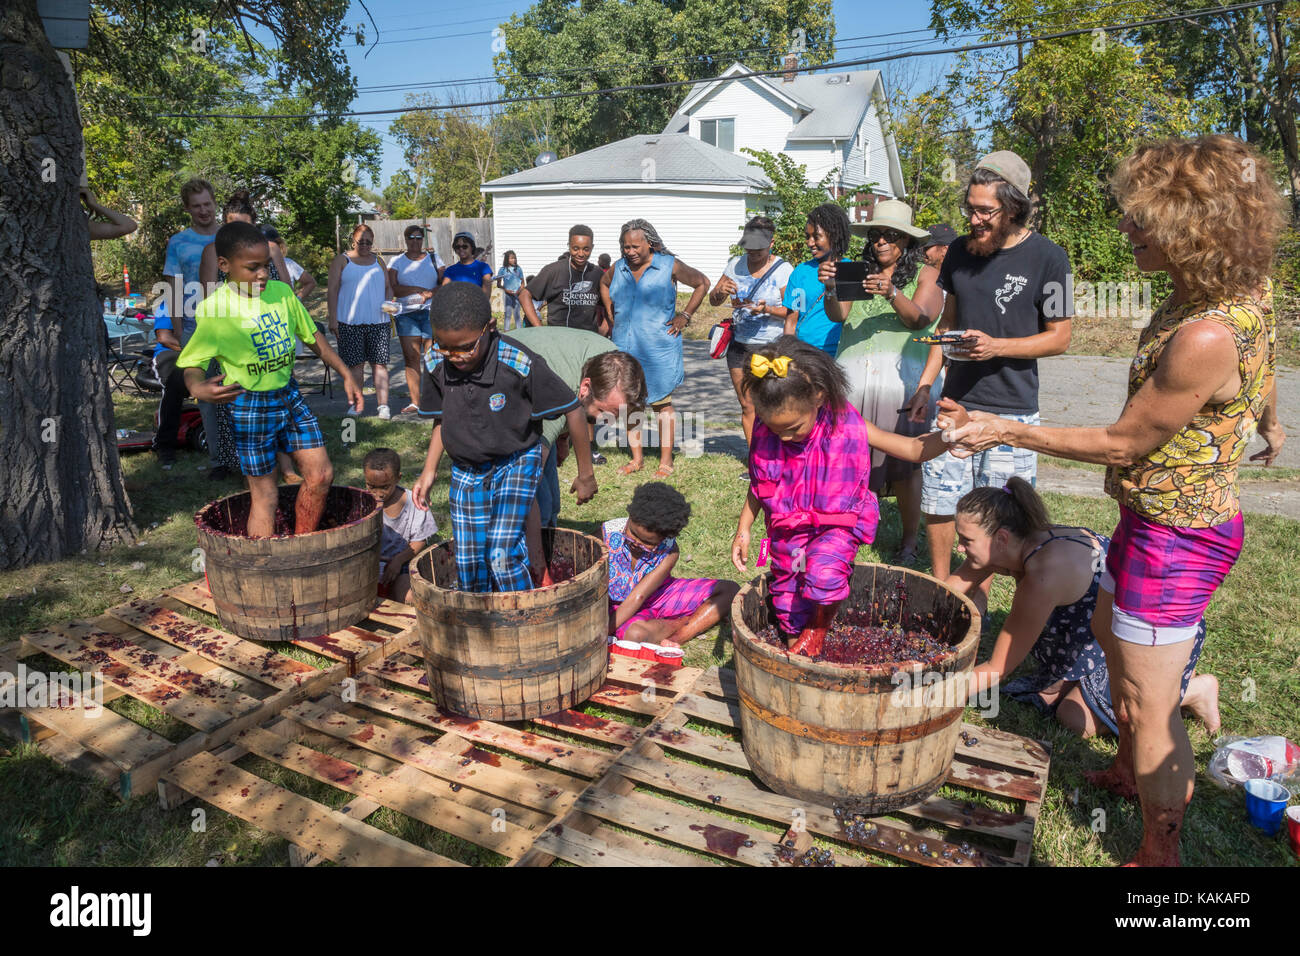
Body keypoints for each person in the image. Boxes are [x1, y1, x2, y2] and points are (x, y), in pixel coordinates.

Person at [946, 135, 1287, 867]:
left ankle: (1158, 854)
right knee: (1106, 632)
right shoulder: (1228, 295)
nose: (1126, 229)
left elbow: (1124, 444)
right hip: (1150, 518)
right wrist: (1268, 416)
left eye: (1142, 219)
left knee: (1151, 703)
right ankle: (1126, 770)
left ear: (1194, 227)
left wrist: (1005, 428)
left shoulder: (1203, 332)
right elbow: (1266, 362)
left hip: (1178, 539)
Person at [911, 150, 1073, 591]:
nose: (976, 219)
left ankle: (976, 596)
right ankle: (942, 589)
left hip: (1011, 411)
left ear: (1014, 208)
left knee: (1000, 514)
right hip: (953, 404)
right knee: (942, 500)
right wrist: (926, 384)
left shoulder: (1050, 259)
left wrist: (997, 346)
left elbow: (1060, 337)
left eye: (986, 211)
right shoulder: (960, 253)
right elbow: (947, 325)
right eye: (971, 209)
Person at [730, 337, 954, 654]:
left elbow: (913, 449)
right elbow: (761, 483)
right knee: (789, 601)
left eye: (793, 428)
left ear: (819, 397)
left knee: (823, 574)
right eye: (775, 429)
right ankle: (803, 649)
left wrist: (951, 434)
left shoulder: (847, 425)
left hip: (835, 525)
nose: (784, 437)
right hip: (788, 532)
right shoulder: (771, 434)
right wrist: (744, 528)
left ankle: (819, 625)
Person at [948, 478, 1219, 738]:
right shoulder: (1022, 540)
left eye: (966, 540)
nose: (958, 547)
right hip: (1098, 634)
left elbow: (998, 667)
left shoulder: (1043, 576)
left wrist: (931, 697)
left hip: (1151, 634)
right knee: (1046, 695)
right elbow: (949, 591)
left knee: (1075, 718)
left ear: (1002, 538)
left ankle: (1193, 690)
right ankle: (1164, 679)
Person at [177, 222, 363, 538]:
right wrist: (196, 386)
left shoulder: (280, 292)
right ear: (224, 265)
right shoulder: (214, 309)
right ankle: (262, 569)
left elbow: (313, 336)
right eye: (253, 268)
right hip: (249, 404)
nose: (263, 274)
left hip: (288, 395)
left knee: (320, 475)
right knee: (265, 495)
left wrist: (345, 373)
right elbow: (192, 362)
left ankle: (301, 543)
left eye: (265, 265)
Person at [411, 282, 597, 592]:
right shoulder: (434, 362)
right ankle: (485, 626)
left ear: (491, 328)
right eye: (445, 346)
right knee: (469, 564)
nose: (455, 356)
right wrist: (429, 470)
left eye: (466, 347)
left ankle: (525, 616)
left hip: (517, 462)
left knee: (501, 555)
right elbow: (443, 419)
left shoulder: (519, 363)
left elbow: (574, 410)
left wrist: (586, 473)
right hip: (466, 471)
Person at [819, 200, 945, 565]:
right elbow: (838, 314)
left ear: (905, 242)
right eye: (876, 235)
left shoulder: (927, 275)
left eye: (891, 236)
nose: (881, 242)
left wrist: (892, 293)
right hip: (852, 383)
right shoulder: (855, 270)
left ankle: (909, 539)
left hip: (900, 384)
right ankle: (847, 532)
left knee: (905, 465)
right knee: (848, 461)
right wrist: (831, 287)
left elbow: (921, 320)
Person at [199, 191, 297, 480]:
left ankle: (285, 466)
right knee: (235, 406)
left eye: (244, 225)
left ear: (255, 224)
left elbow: (287, 295)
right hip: (233, 344)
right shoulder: (212, 252)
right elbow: (207, 299)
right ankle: (244, 470)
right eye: (231, 225)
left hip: (269, 341)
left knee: (279, 403)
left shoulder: (271, 250)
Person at [600, 218, 709, 479]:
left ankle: (666, 461)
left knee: (662, 404)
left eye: (636, 246)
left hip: (658, 348)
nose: (630, 252)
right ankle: (637, 459)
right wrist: (609, 313)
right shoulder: (618, 268)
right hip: (625, 348)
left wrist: (685, 315)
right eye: (626, 247)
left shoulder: (668, 266)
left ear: (650, 243)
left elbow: (702, 282)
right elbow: (604, 284)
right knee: (630, 405)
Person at [507, 327, 645, 530]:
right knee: (538, 504)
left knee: (552, 503)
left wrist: (562, 439)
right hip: (503, 390)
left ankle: (546, 534)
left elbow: (577, 408)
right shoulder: (560, 390)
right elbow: (529, 471)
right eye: (605, 412)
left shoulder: (616, 367)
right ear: (586, 387)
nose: (610, 422)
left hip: (542, 388)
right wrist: (585, 476)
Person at [605, 483, 741, 648]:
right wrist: (604, 627)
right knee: (634, 635)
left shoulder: (670, 552)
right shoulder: (605, 535)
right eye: (632, 534)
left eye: (646, 543)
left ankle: (681, 633)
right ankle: (683, 620)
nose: (636, 543)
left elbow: (639, 596)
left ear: (663, 538)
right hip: (616, 607)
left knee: (731, 590)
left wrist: (602, 632)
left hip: (657, 596)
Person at [708, 215, 793, 447]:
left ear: (771, 244)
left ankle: (778, 454)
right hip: (740, 345)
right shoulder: (735, 264)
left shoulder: (783, 270)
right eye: (749, 247)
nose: (753, 252)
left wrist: (768, 309)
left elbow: (793, 311)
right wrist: (720, 291)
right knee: (747, 405)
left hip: (770, 347)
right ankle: (755, 460)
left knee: (772, 404)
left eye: (759, 248)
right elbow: (714, 301)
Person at [161, 178, 219, 475]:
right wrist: (178, 329)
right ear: (187, 208)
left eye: (207, 203)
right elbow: (172, 287)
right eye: (196, 206)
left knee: (241, 388)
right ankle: (218, 459)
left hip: (233, 324)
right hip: (196, 325)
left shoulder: (229, 234)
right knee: (206, 393)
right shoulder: (178, 241)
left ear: (214, 202)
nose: (203, 210)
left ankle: (247, 452)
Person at [328, 223, 394, 419]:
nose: (364, 245)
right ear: (353, 240)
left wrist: (389, 302)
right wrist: (333, 319)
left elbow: (388, 286)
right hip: (349, 322)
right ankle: (357, 404)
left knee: (380, 365)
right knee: (356, 366)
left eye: (368, 242)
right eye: (361, 241)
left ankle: (383, 406)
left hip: (379, 322)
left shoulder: (379, 261)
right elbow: (332, 290)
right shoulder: (342, 260)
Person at [364, 448, 439, 604]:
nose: (378, 494)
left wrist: (398, 561)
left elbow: (420, 540)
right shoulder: (363, 503)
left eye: (384, 487)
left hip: (402, 564)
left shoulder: (413, 503)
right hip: (369, 564)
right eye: (371, 486)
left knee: (408, 597)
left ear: (398, 478)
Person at [782, 203, 852, 355]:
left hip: (839, 355)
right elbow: (791, 321)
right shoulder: (800, 272)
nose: (810, 243)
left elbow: (845, 316)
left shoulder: (850, 270)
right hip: (804, 355)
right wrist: (786, 356)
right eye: (808, 237)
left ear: (834, 235)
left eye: (816, 237)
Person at [389, 225, 444, 414]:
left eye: (418, 237)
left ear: (423, 239)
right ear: (405, 239)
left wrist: (430, 294)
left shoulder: (434, 259)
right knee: (411, 357)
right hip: (406, 314)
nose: (415, 241)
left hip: (430, 312)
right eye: (411, 237)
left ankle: (434, 399)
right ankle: (415, 402)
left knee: (432, 356)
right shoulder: (396, 262)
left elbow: (444, 283)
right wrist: (416, 290)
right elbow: (393, 287)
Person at [518, 226, 605, 333]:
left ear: (592, 247)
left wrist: (603, 331)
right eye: (575, 248)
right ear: (569, 246)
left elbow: (611, 304)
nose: (581, 254)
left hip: (588, 341)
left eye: (586, 249)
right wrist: (539, 328)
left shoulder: (597, 273)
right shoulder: (553, 271)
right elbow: (524, 295)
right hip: (558, 339)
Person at [262, 225, 318, 300]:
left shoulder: (288, 263)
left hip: (285, 308)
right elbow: (251, 297)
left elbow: (310, 282)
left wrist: (297, 300)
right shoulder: (254, 268)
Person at [497, 251, 525, 331]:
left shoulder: (518, 269)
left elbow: (523, 283)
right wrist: (506, 290)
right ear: (507, 259)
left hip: (517, 294)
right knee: (508, 314)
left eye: (515, 258)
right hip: (507, 295)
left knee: (517, 314)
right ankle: (506, 331)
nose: (514, 260)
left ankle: (519, 332)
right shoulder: (502, 270)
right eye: (512, 258)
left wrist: (519, 291)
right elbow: (498, 284)